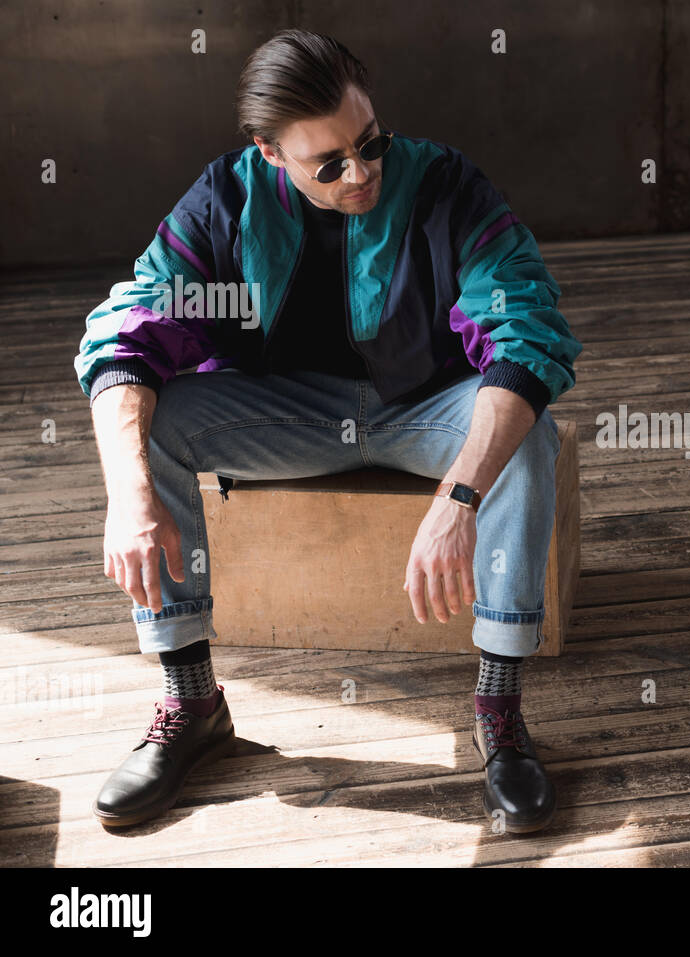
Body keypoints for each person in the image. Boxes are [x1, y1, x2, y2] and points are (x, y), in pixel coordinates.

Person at [73, 29, 582, 835]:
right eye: (330, 164)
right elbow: (127, 327)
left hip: (428, 409)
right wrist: (129, 495)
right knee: (155, 423)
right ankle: (191, 698)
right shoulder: (225, 201)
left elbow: (527, 328)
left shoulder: (445, 184)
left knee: (529, 437)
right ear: (271, 154)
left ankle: (500, 709)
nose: (362, 171)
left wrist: (458, 496)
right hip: (291, 415)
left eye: (370, 142)